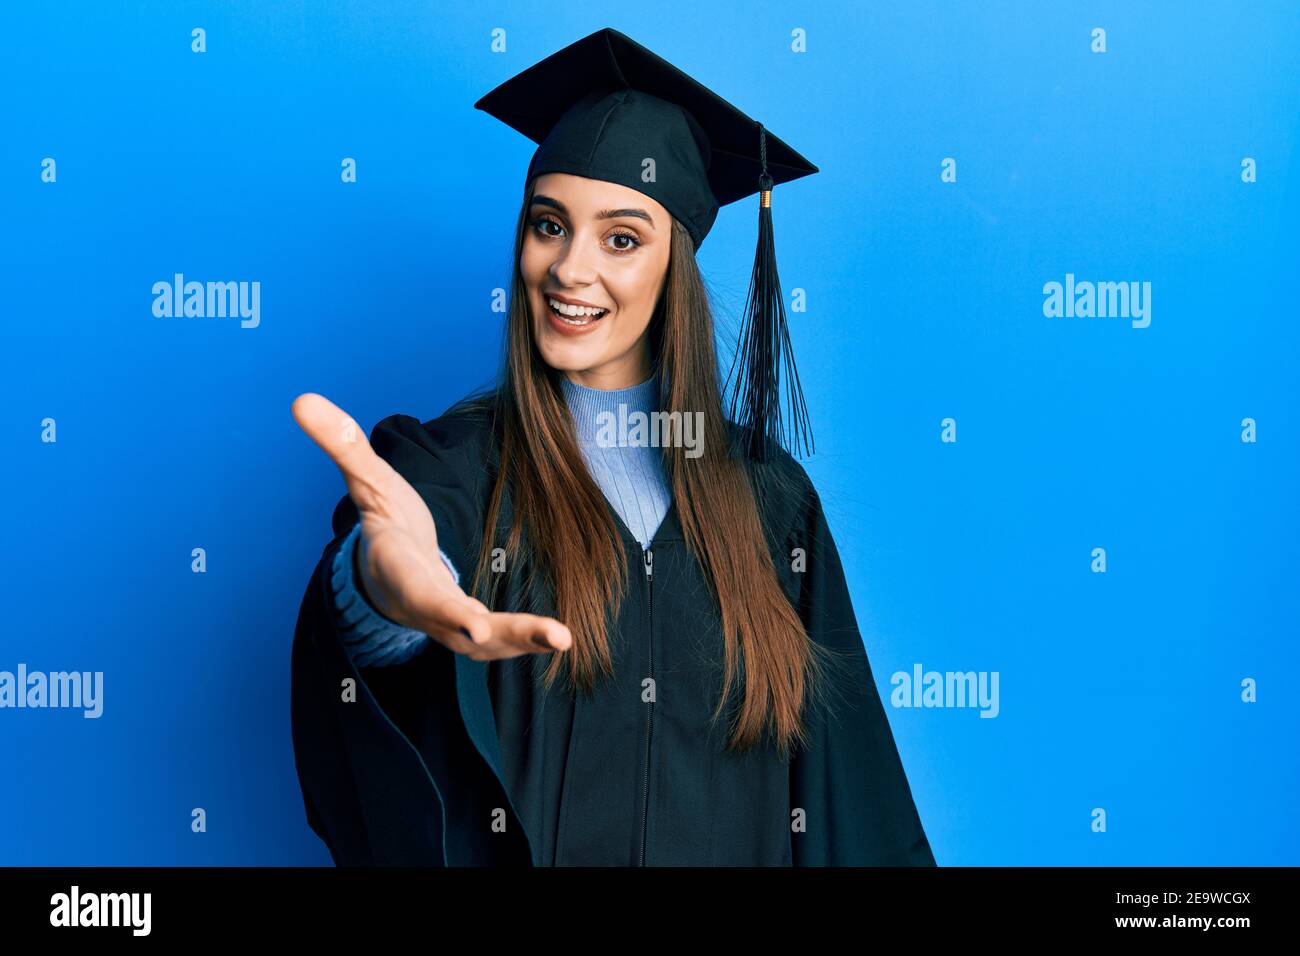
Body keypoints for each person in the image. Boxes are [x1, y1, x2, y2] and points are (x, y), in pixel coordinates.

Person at [289, 27, 936, 867]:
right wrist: (391, 584)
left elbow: (850, 802)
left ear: (677, 265)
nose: (569, 269)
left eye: (621, 238)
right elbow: (401, 553)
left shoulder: (771, 502)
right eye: (549, 225)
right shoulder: (460, 466)